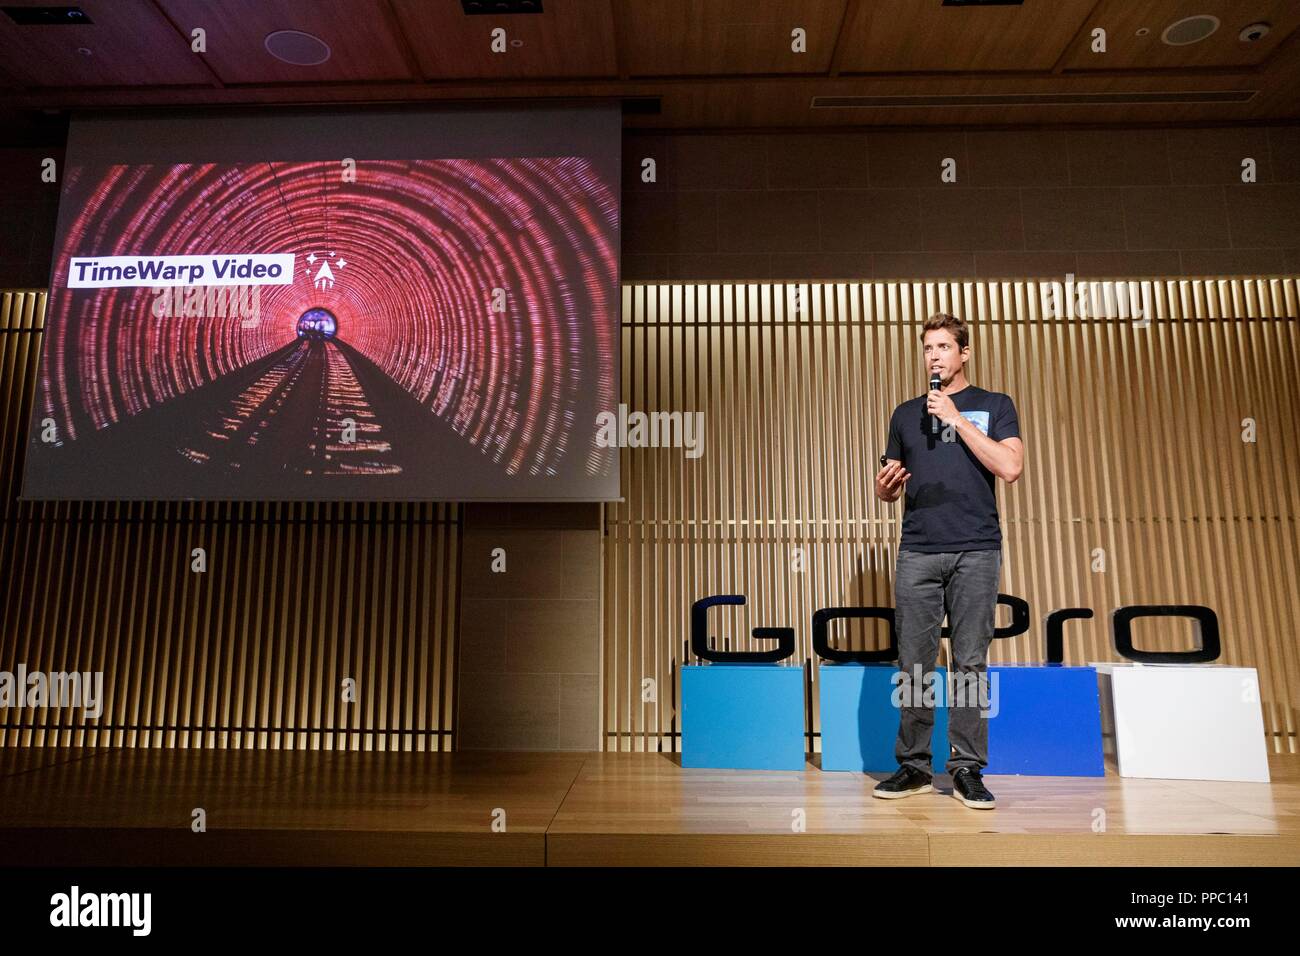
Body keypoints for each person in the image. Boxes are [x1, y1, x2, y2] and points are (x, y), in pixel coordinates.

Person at [870, 312, 1023, 810]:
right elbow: (888, 484)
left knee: (969, 664)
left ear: (964, 353)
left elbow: (1011, 466)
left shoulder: (994, 405)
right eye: (927, 347)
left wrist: (956, 417)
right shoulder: (904, 413)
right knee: (913, 664)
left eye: (942, 346)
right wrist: (883, 489)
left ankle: (966, 768)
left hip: (976, 549)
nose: (933, 355)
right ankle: (913, 765)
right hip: (918, 550)